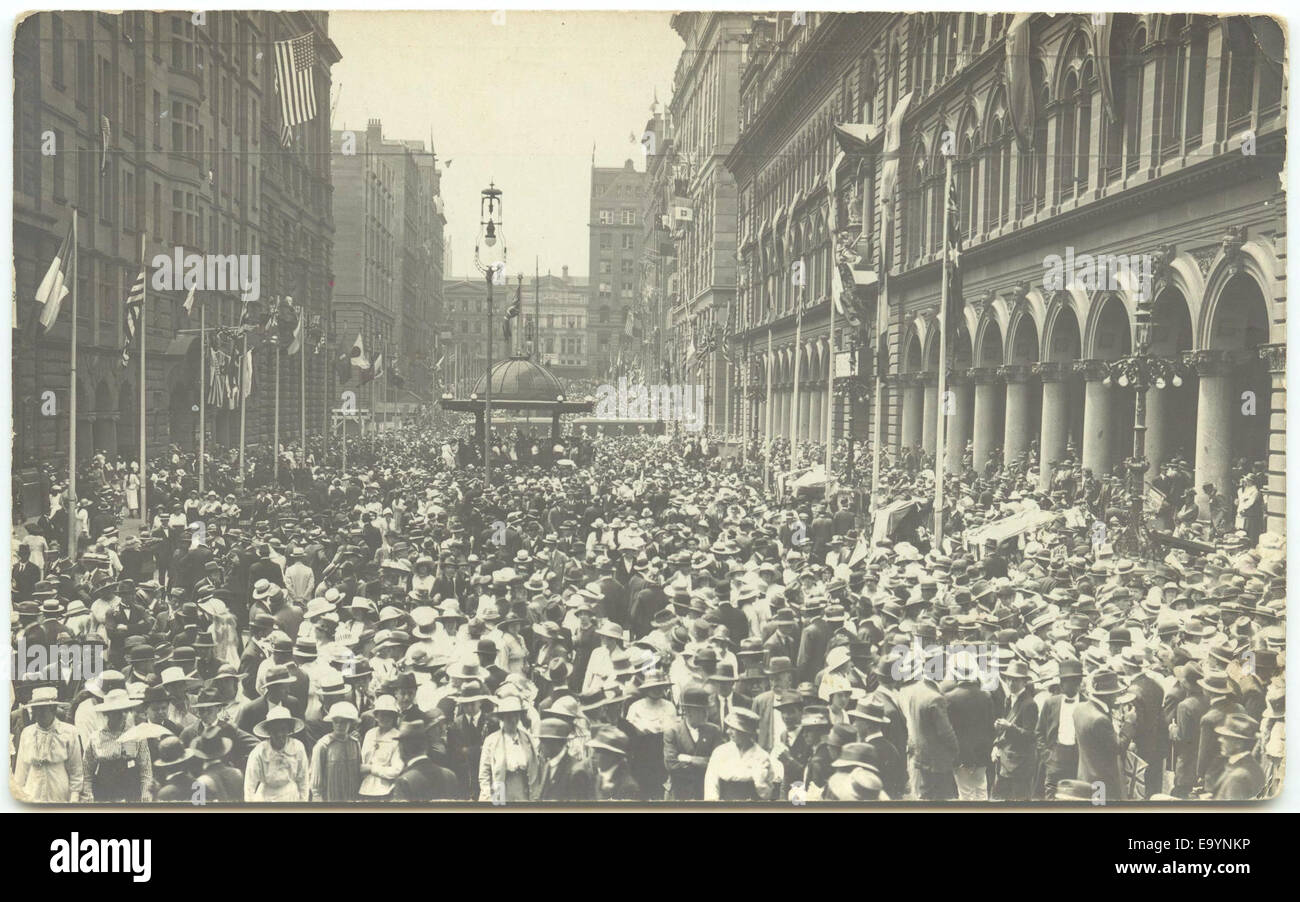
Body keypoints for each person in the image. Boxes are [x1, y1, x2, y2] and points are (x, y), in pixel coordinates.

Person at [12, 687, 85, 803]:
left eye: (43, 709)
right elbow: (21, 769)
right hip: (32, 792)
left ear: (53, 709)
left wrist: (74, 797)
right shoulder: (27, 733)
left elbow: (76, 769)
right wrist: (18, 796)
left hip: (59, 791)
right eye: (36, 709)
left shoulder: (69, 732)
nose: (39, 713)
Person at [477, 695, 540, 802]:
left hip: (523, 789)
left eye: (516, 715)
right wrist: (487, 795)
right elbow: (484, 773)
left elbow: (535, 766)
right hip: (501, 787)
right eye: (509, 716)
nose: (514, 720)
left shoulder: (527, 738)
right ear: (502, 718)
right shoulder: (492, 740)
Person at [703, 708, 774, 801]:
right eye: (728, 728)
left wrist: (759, 780)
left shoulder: (762, 756)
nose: (728, 732)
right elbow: (711, 785)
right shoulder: (720, 752)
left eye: (733, 728)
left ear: (746, 732)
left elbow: (766, 794)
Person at [245, 705, 310, 802]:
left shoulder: (297, 747)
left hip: (291, 797)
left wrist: (303, 802)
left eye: (283, 729)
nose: (279, 734)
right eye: (275, 730)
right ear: (269, 732)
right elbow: (249, 784)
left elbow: (303, 779)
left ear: (289, 730)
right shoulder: (259, 751)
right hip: (266, 797)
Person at [309, 701, 362, 802]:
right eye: (336, 721)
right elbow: (316, 777)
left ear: (350, 723)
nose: (339, 725)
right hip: (331, 797)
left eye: (344, 722)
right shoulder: (323, 745)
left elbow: (358, 771)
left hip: (351, 796)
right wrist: (318, 798)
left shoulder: (355, 743)